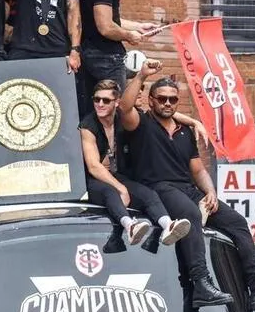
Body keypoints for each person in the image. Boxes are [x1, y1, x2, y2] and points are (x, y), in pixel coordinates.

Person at [119, 64, 255, 310]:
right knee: (190, 214)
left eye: (172, 99)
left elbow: (197, 169)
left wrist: (210, 191)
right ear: (152, 101)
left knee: (237, 222)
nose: (167, 103)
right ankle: (200, 284)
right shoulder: (140, 124)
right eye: (162, 98)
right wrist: (142, 74)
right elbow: (124, 107)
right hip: (158, 187)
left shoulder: (185, 131)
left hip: (189, 188)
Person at [80, 79, 190, 252]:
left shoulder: (122, 117)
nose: (100, 104)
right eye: (96, 99)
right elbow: (94, 166)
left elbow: (157, 114)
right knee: (111, 191)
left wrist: (194, 122)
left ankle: (168, 226)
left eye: (106, 100)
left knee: (148, 194)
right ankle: (130, 226)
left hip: (118, 175)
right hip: (93, 178)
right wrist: (120, 188)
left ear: (117, 102)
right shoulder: (88, 125)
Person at [77, 0, 156, 116]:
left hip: (85, 54)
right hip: (107, 56)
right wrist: (130, 36)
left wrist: (138, 27)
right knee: (115, 112)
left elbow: (104, 18)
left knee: (91, 112)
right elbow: (105, 26)